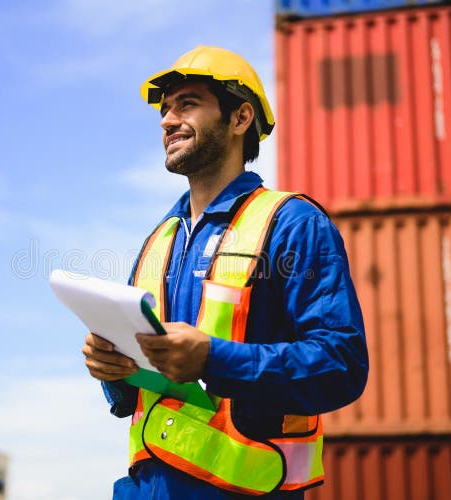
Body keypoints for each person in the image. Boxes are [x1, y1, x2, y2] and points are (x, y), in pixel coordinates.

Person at [82, 46, 368, 499]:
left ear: (240, 118)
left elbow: (342, 365)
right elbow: (140, 392)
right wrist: (113, 372)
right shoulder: (159, 242)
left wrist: (213, 360)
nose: (167, 120)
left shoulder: (292, 223)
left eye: (187, 103)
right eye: (165, 109)